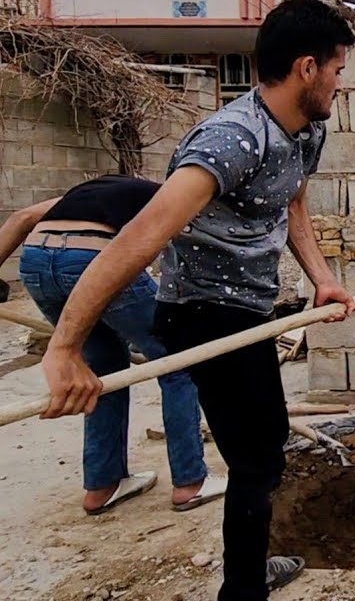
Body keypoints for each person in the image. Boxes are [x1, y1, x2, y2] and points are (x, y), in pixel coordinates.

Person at [36, 0, 355, 601]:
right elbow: (141, 235)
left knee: (261, 450)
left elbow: (292, 201)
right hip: (202, 314)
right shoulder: (232, 139)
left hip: (250, 311)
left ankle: (249, 569)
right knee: (259, 459)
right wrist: (64, 347)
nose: (342, 86)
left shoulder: (306, 132)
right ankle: (244, 589)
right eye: (339, 71)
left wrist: (322, 276)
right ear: (307, 68)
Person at [0, 176, 227, 515]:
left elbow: (20, 219)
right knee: (177, 363)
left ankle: (103, 485)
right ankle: (191, 482)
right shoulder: (177, 195)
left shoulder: (86, 194)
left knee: (102, 367)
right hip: (93, 257)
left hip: (35, 261)